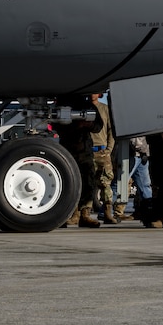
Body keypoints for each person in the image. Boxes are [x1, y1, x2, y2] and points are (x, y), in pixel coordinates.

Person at [54, 96, 102, 228]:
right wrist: (74, 125)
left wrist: (88, 124)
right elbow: (54, 124)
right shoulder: (62, 106)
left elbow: (98, 126)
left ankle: (85, 214)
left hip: (84, 150)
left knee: (88, 182)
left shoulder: (87, 106)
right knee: (68, 182)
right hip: (68, 149)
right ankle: (70, 213)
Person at [88, 93, 118, 224]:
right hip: (88, 150)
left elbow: (111, 130)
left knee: (105, 183)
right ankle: (83, 213)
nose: (92, 94)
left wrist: (109, 149)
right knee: (87, 183)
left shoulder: (105, 109)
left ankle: (107, 213)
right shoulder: (84, 108)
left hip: (102, 151)